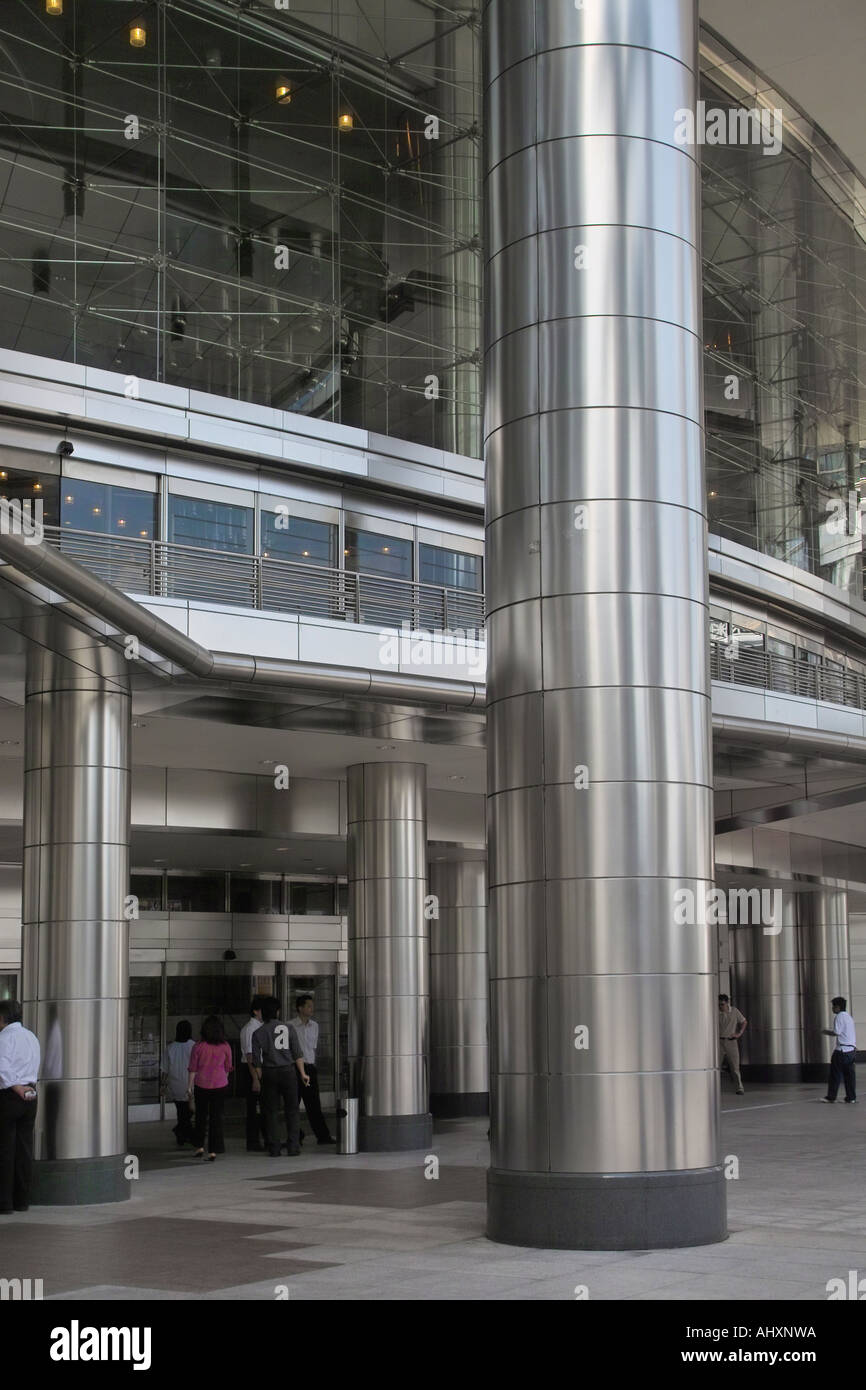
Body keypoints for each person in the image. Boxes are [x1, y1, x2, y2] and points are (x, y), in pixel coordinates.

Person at [252, 996, 309, 1157]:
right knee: (292, 1110)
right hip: (288, 1071)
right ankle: (293, 1146)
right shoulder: (289, 1028)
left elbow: (256, 1060)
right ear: (277, 1011)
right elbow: (297, 1053)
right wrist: (303, 1073)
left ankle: (274, 1147)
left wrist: (260, 1076)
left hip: (269, 1071)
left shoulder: (258, 1032)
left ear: (263, 1013)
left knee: (271, 1111)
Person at [0, 999, 40, 1214]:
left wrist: (16, 1088)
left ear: (2, 1018)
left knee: (5, 1150)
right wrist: (27, 1089)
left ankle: (4, 1203)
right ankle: (21, 1201)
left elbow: (2, 1068)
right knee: (24, 1150)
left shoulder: (4, 1038)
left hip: (9, 1096)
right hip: (31, 1095)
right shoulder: (31, 1036)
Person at [290, 995, 335, 1144]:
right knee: (292, 1105)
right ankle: (296, 1136)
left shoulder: (314, 1025)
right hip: (294, 1068)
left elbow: (312, 1048)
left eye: (312, 1006)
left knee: (314, 1105)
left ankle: (323, 1136)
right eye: (308, 1006)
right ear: (300, 1008)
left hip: (310, 1067)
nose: (311, 1008)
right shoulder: (290, 1026)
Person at [188, 1016, 233, 1160]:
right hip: (220, 1085)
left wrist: (189, 1087)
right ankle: (214, 1150)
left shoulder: (198, 1046)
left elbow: (192, 1069)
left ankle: (199, 1146)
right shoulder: (225, 1046)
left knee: (201, 1116)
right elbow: (228, 1067)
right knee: (216, 1118)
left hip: (202, 1085)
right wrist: (223, 1078)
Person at [160, 1020, 196, 1147]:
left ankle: (182, 1134)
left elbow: (165, 1069)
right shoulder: (194, 1046)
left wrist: (163, 1086)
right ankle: (185, 1134)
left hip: (175, 1084)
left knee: (181, 1111)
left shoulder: (170, 1048)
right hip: (190, 1083)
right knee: (189, 1111)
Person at [239, 996, 268, 1152]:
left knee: (260, 1107)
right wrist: (255, 1078)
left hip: (258, 1069)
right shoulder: (250, 1029)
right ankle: (253, 1141)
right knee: (254, 1108)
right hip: (252, 1070)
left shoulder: (259, 1027)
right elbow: (250, 1057)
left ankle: (263, 1138)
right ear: (256, 1011)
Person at [822, 997, 857, 1103]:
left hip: (841, 1050)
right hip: (851, 1050)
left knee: (835, 1074)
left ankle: (831, 1097)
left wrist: (825, 1032)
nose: (832, 1008)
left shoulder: (839, 1017)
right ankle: (851, 1097)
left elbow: (837, 1032)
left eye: (833, 1006)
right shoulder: (849, 1017)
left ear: (838, 1007)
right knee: (849, 1075)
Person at [718, 994, 747, 1095]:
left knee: (735, 1067)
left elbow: (743, 1021)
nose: (720, 1007)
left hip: (731, 1041)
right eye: (719, 1005)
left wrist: (739, 1033)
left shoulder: (734, 1011)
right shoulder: (716, 1012)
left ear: (727, 1003)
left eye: (722, 1004)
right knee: (716, 1067)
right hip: (719, 1042)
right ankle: (714, 1087)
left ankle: (739, 1087)